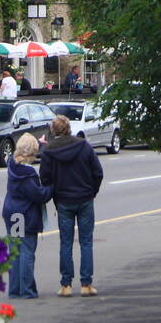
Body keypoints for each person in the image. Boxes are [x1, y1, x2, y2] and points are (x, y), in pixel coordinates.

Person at [39, 113, 103, 296]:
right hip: (84, 198)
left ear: (53, 130)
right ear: (69, 128)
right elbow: (97, 172)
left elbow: (45, 178)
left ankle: (66, 285)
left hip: (64, 201)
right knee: (86, 242)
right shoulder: (83, 145)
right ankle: (86, 284)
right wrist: (93, 192)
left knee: (65, 243)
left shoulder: (49, 151)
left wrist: (54, 194)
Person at [3, 134, 52, 299]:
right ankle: (27, 290)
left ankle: (15, 290)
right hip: (25, 213)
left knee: (15, 250)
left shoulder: (12, 164)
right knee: (27, 251)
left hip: (12, 212)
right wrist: (51, 188)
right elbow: (39, 195)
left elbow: (24, 149)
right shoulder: (28, 173)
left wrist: (37, 142)